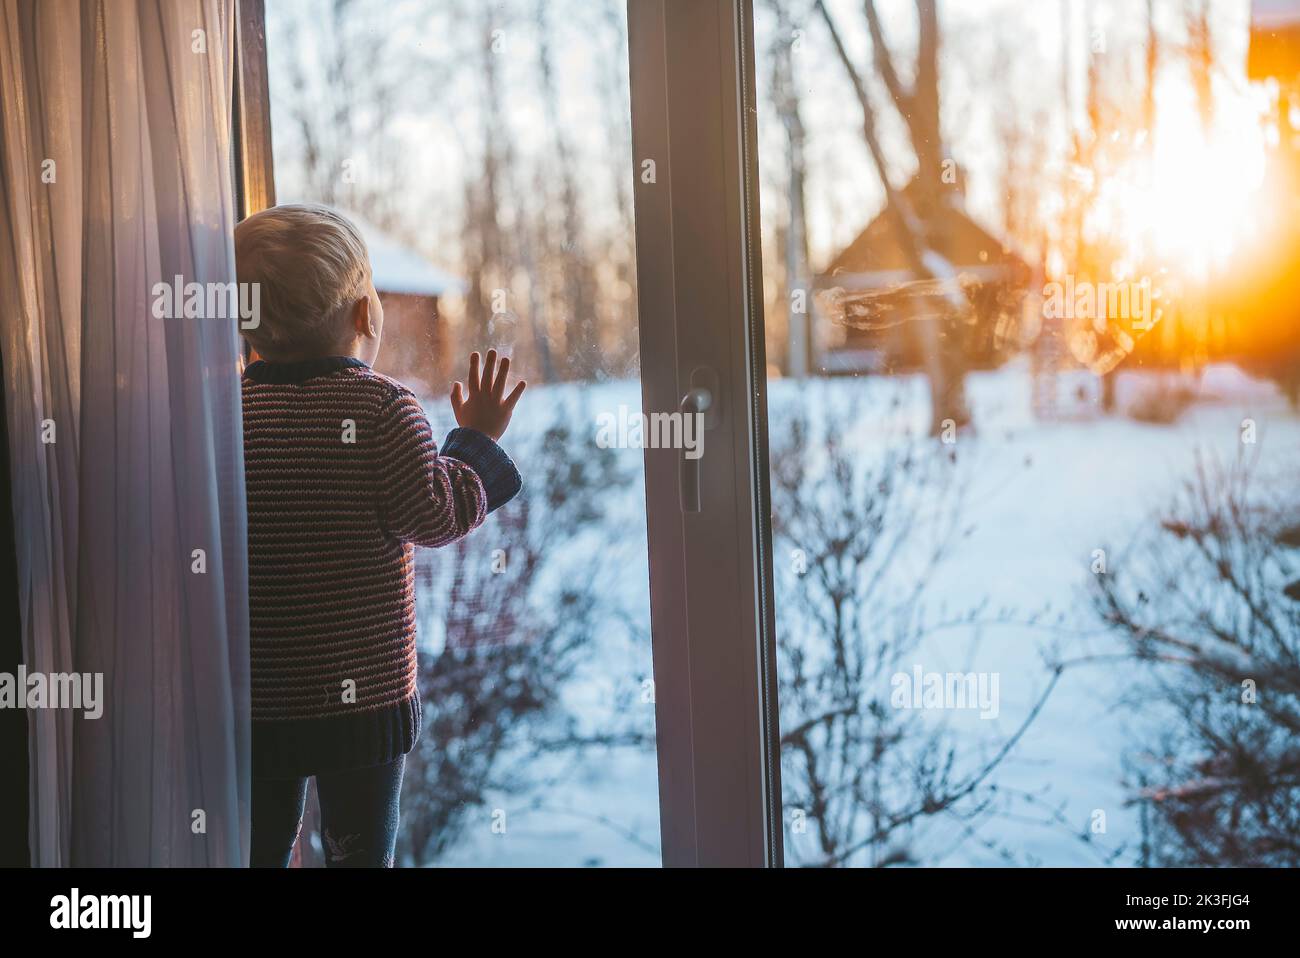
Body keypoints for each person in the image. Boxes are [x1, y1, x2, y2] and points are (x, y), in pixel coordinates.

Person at [235, 203, 525, 866]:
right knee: (359, 853)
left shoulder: (226, 415)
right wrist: (475, 440)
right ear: (367, 314)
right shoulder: (382, 408)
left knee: (255, 851)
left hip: (257, 702)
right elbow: (433, 514)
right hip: (361, 706)